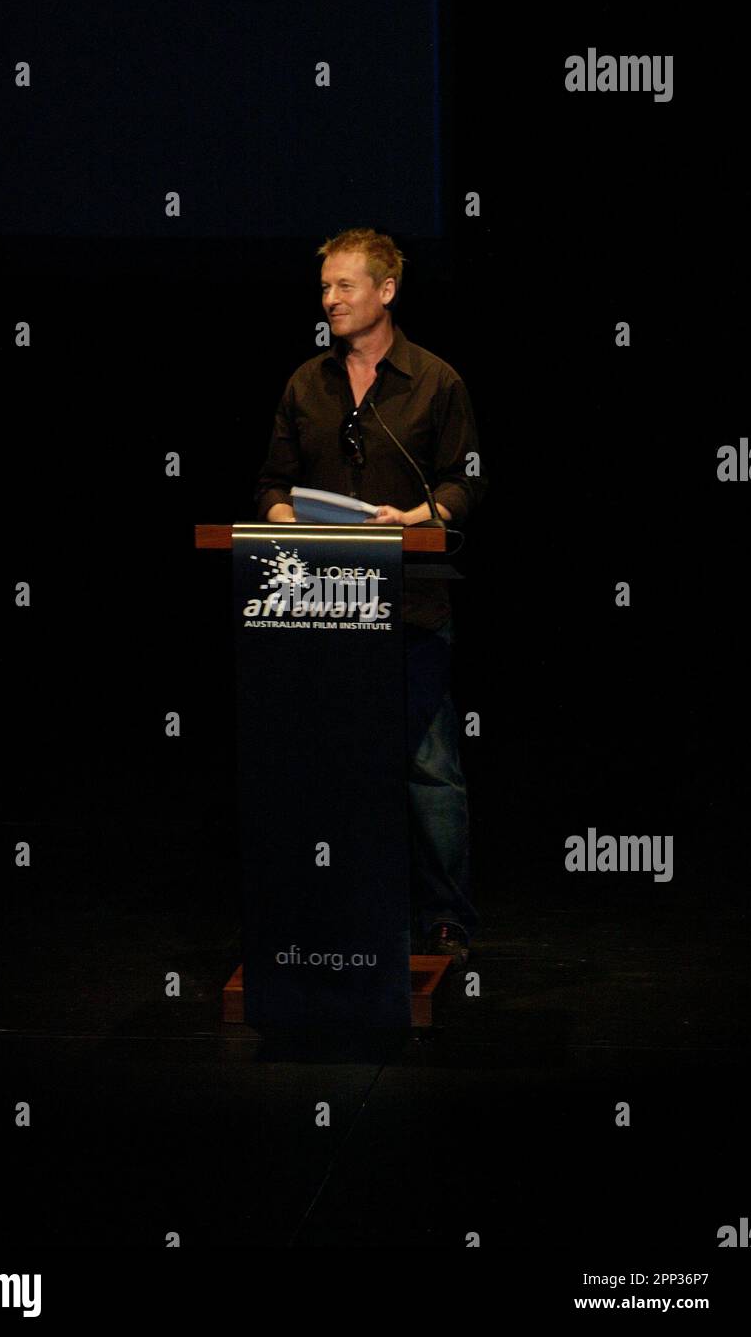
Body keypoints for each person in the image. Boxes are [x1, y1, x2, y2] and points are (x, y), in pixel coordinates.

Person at [252, 228, 486, 968]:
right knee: (327, 768)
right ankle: (339, 909)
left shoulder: (434, 381)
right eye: (324, 288)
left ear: (385, 292)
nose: (329, 300)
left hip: (412, 603)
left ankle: (446, 919)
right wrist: (288, 524)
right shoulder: (304, 383)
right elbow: (271, 485)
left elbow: (464, 479)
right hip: (323, 607)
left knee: (428, 767)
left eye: (343, 286)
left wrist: (415, 519)